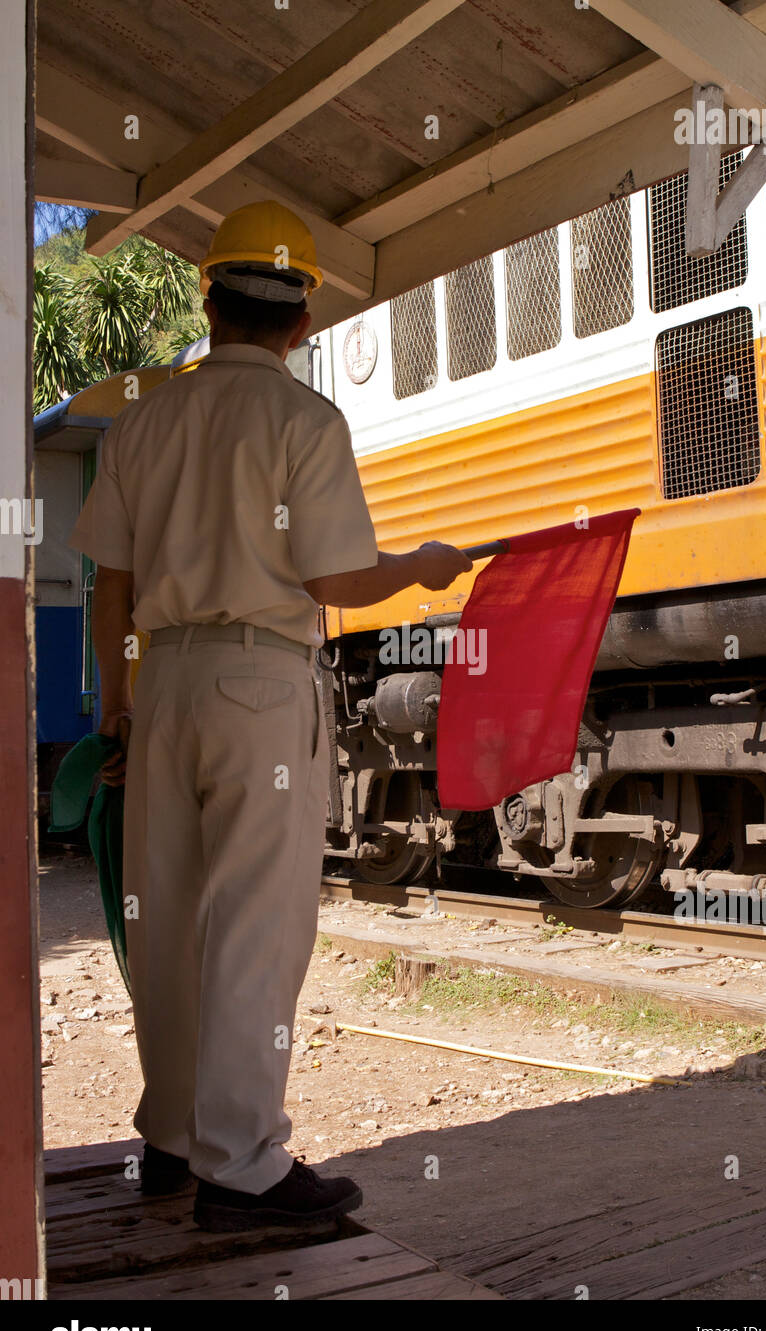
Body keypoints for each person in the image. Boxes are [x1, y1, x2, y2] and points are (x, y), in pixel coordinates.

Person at [68, 200, 472, 1233]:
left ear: (208, 303)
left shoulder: (144, 419)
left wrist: (118, 706)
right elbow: (332, 571)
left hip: (159, 685)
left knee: (160, 917)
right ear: (298, 322)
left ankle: (169, 1136)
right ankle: (241, 1166)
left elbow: (110, 583)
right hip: (259, 684)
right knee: (251, 922)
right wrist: (421, 567)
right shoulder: (305, 423)